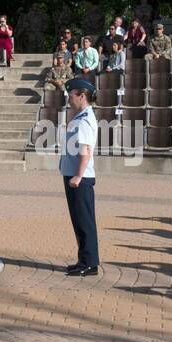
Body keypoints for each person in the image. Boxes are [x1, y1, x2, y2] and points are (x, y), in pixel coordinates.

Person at [61, 78, 100, 276]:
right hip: (74, 176)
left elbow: (85, 151)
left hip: (80, 179)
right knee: (79, 220)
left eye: (71, 94)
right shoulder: (80, 116)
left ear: (81, 96)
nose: (69, 98)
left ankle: (90, 263)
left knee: (84, 221)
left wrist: (77, 176)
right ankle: (83, 260)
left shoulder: (84, 120)